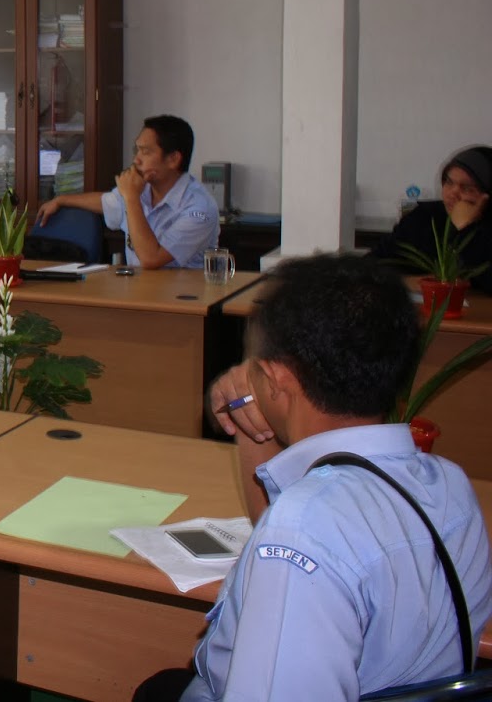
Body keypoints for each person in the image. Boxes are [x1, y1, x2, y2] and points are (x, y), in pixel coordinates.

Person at [137, 254, 492, 701]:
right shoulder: (451, 486)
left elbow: (298, 540)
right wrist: (251, 402)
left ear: (277, 378)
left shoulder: (301, 532)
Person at [37, 113, 218, 269]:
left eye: (145, 152)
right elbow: (104, 202)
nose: (136, 160)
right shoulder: (143, 187)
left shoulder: (199, 208)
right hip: (139, 290)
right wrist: (61, 199)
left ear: (173, 159)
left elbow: (151, 259)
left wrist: (131, 197)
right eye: (136, 150)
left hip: (182, 296)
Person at [369, 145, 492, 295]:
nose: (452, 193)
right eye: (449, 182)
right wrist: (409, 282)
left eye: (467, 188)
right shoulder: (425, 216)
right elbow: (370, 265)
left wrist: (465, 228)